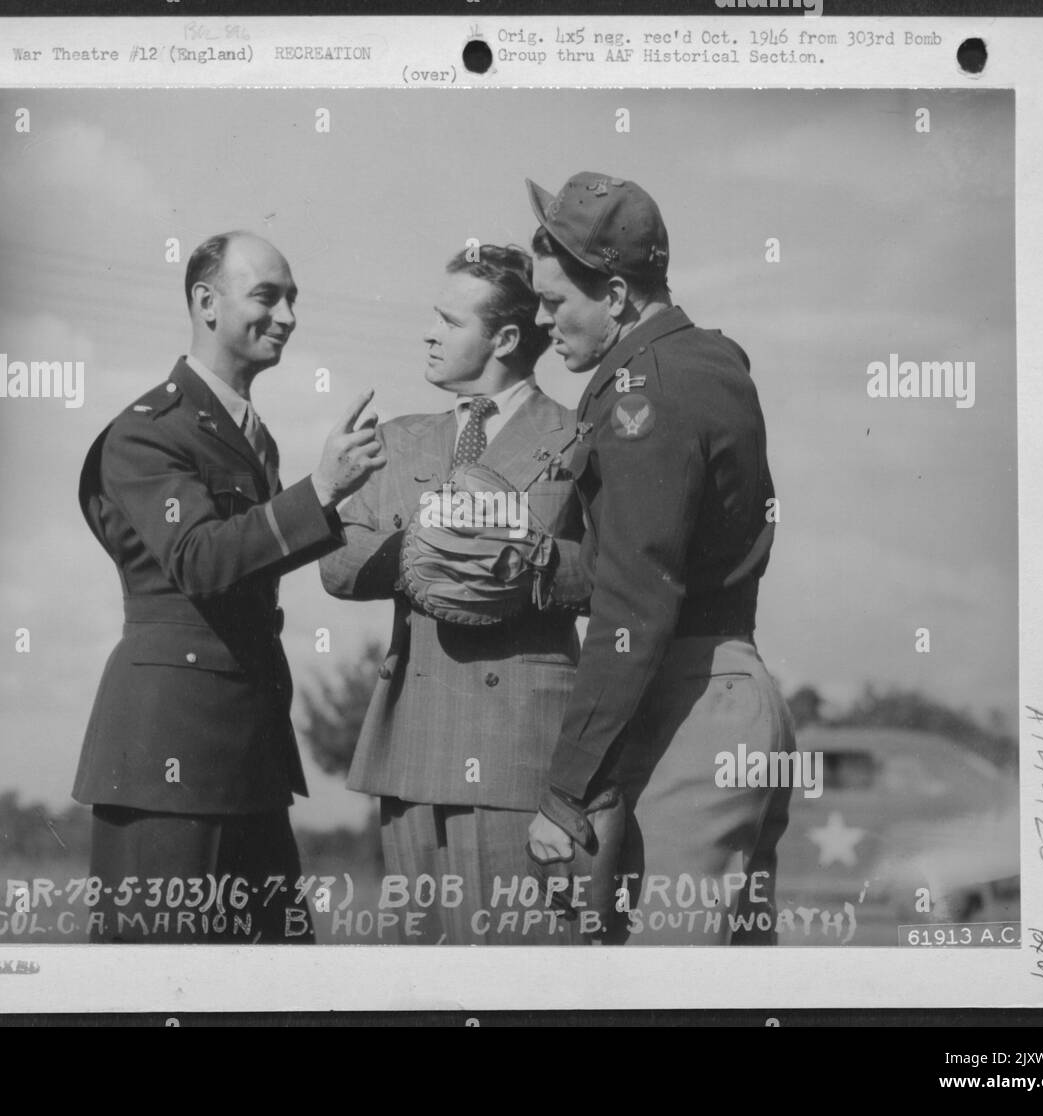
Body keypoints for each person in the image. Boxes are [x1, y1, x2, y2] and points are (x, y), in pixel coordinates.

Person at [73, 231, 385, 943]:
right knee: (159, 981)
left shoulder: (252, 436)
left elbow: (248, 565)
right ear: (205, 303)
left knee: (276, 981)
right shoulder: (147, 432)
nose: (287, 317)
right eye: (267, 296)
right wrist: (323, 490)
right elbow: (200, 560)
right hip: (166, 757)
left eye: (293, 300)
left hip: (248, 758)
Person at [522, 173, 795, 945]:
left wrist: (566, 790)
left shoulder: (650, 395)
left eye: (555, 303)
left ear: (614, 294)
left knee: (660, 979)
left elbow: (635, 605)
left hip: (688, 704)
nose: (544, 322)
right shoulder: (705, 359)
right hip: (729, 686)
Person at [320, 244, 593, 945]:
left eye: (448, 318)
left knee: (516, 984)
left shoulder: (579, 436)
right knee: (417, 988)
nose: (429, 332)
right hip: (410, 751)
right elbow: (339, 568)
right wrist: (430, 537)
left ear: (504, 338)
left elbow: (619, 576)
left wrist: (527, 562)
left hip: (518, 753)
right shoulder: (398, 441)